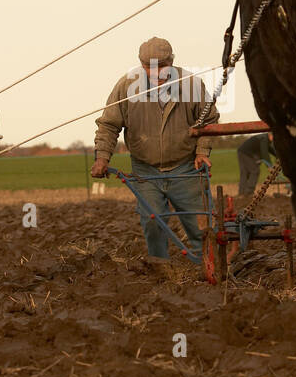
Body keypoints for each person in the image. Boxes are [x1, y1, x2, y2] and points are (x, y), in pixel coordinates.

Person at [90, 37, 217, 263]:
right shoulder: (126, 87)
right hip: (145, 170)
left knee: (201, 224)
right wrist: (102, 157)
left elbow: (209, 119)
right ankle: (161, 268)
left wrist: (202, 152)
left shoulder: (191, 85)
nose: (156, 73)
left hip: (186, 167)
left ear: (172, 61)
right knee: (152, 221)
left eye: (162, 66)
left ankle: (209, 266)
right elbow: (109, 124)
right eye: (149, 67)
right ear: (141, 64)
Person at [237, 130, 274, 197]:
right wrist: (269, 166)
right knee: (255, 171)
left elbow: (270, 150)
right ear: (270, 135)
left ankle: (242, 193)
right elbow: (264, 153)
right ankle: (249, 192)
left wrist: (279, 156)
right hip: (246, 153)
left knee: (245, 173)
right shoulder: (264, 138)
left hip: (241, 151)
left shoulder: (264, 138)